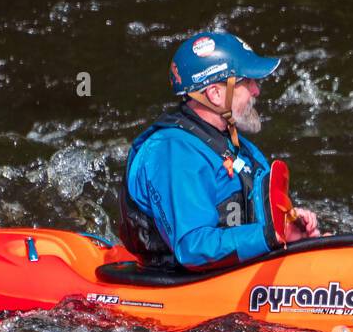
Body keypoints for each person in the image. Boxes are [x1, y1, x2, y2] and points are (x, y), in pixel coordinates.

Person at [118, 30, 320, 271]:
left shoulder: (243, 150)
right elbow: (193, 248)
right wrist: (268, 236)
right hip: (180, 284)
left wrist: (294, 232)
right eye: (247, 82)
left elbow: (264, 228)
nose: (257, 91)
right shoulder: (173, 152)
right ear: (215, 94)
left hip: (235, 272)